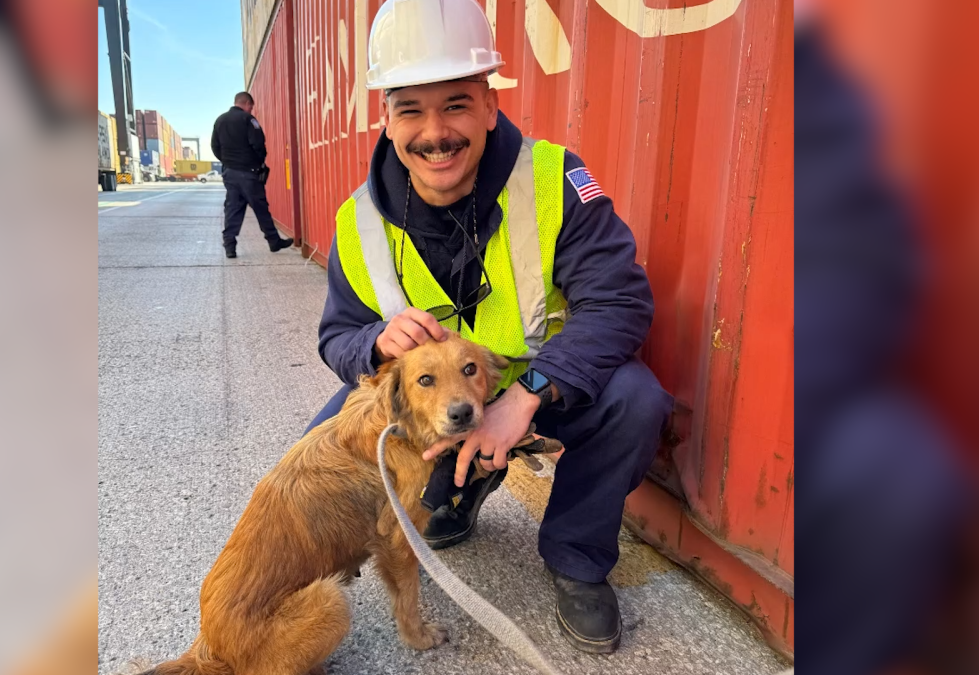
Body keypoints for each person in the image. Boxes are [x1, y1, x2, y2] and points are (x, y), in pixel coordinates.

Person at [307, 0, 673, 654]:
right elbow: (337, 334)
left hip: (541, 389)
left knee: (635, 399)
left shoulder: (554, 180)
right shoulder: (356, 222)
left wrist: (525, 393)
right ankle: (458, 488)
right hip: (435, 398)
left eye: (455, 104)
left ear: (489, 105)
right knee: (323, 444)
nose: (435, 131)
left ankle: (578, 558)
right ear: (386, 119)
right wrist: (373, 342)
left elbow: (618, 302)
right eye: (411, 108)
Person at [211, 92, 292, 257]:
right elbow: (258, 144)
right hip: (248, 173)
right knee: (260, 207)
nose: (250, 110)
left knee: (233, 208)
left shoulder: (220, 120)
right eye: (251, 107)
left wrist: (228, 162)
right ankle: (273, 241)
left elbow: (215, 146)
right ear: (247, 103)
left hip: (230, 173)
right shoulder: (248, 120)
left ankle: (230, 246)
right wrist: (259, 162)